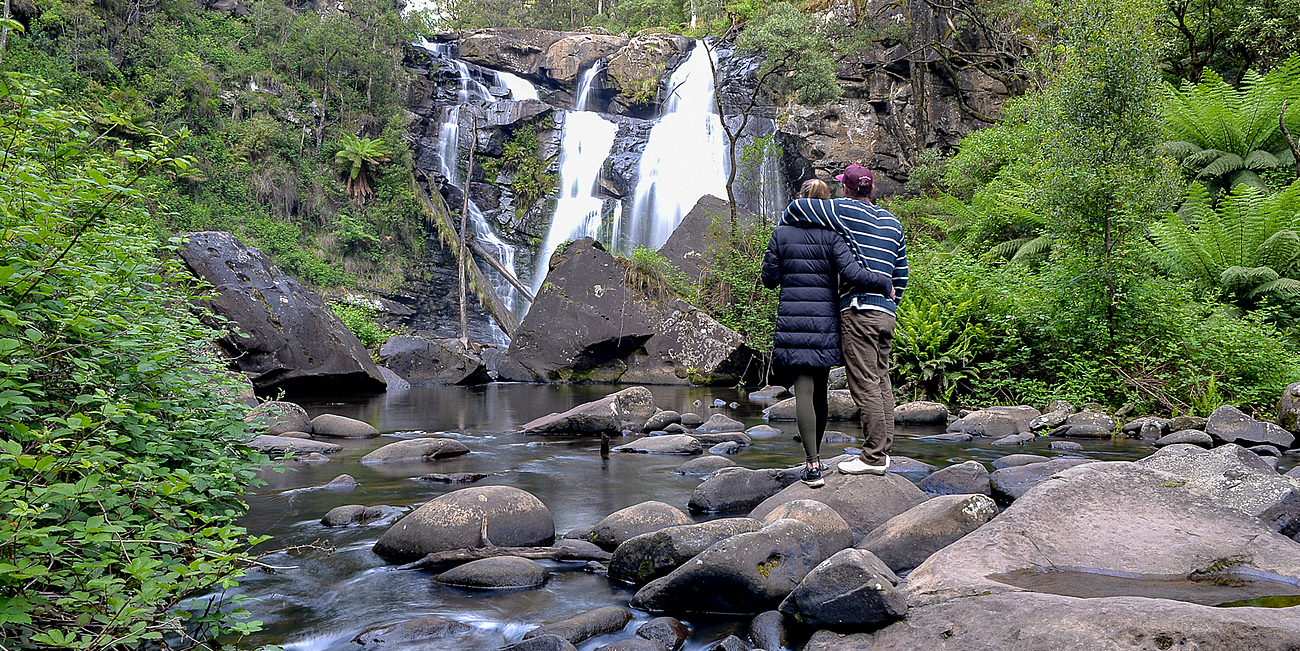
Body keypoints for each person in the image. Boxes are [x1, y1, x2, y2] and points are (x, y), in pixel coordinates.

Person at [762, 177, 894, 487]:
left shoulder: (781, 233)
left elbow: (769, 278)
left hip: (794, 321)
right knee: (819, 391)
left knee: (803, 392)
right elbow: (852, 272)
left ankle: (812, 464)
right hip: (825, 322)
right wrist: (882, 282)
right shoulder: (834, 236)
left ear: (800, 197)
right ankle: (829, 455)